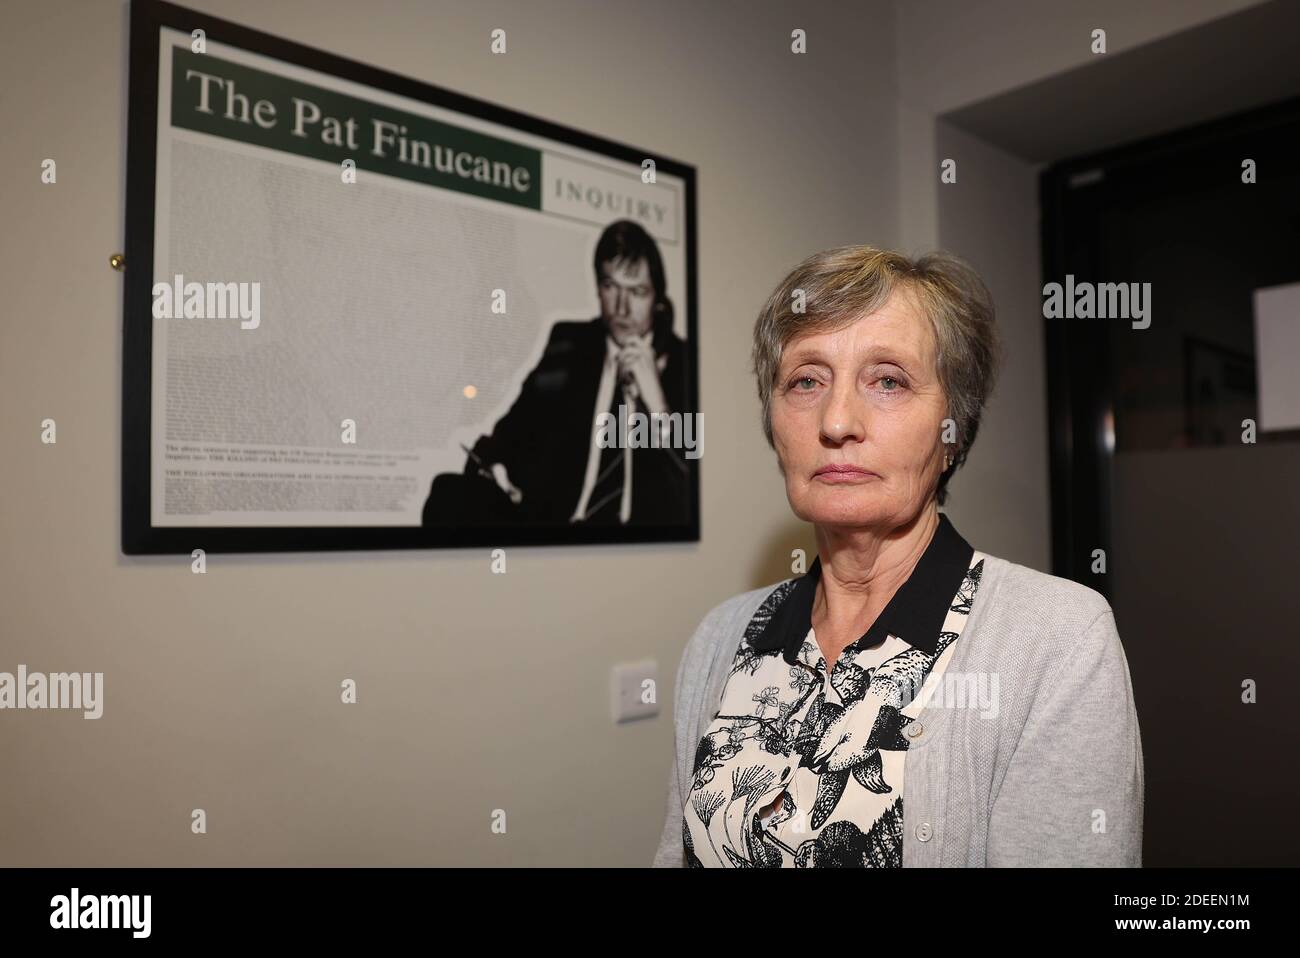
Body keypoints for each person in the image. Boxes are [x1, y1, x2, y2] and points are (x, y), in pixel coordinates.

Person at [652, 246, 1144, 867]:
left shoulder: (1057, 641)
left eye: (888, 380)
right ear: (773, 422)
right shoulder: (721, 638)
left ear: (952, 431)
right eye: (806, 380)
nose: (837, 421)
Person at [422, 219, 692, 527]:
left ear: (657, 299)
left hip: (646, 543)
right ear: (597, 289)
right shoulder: (569, 343)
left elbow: (692, 479)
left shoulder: (683, 361)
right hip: (560, 532)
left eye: (637, 292)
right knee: (447, 494)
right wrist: (497, 466)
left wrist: (657, 404)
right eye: (610, 287)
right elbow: (512, 431)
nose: (622, 308)